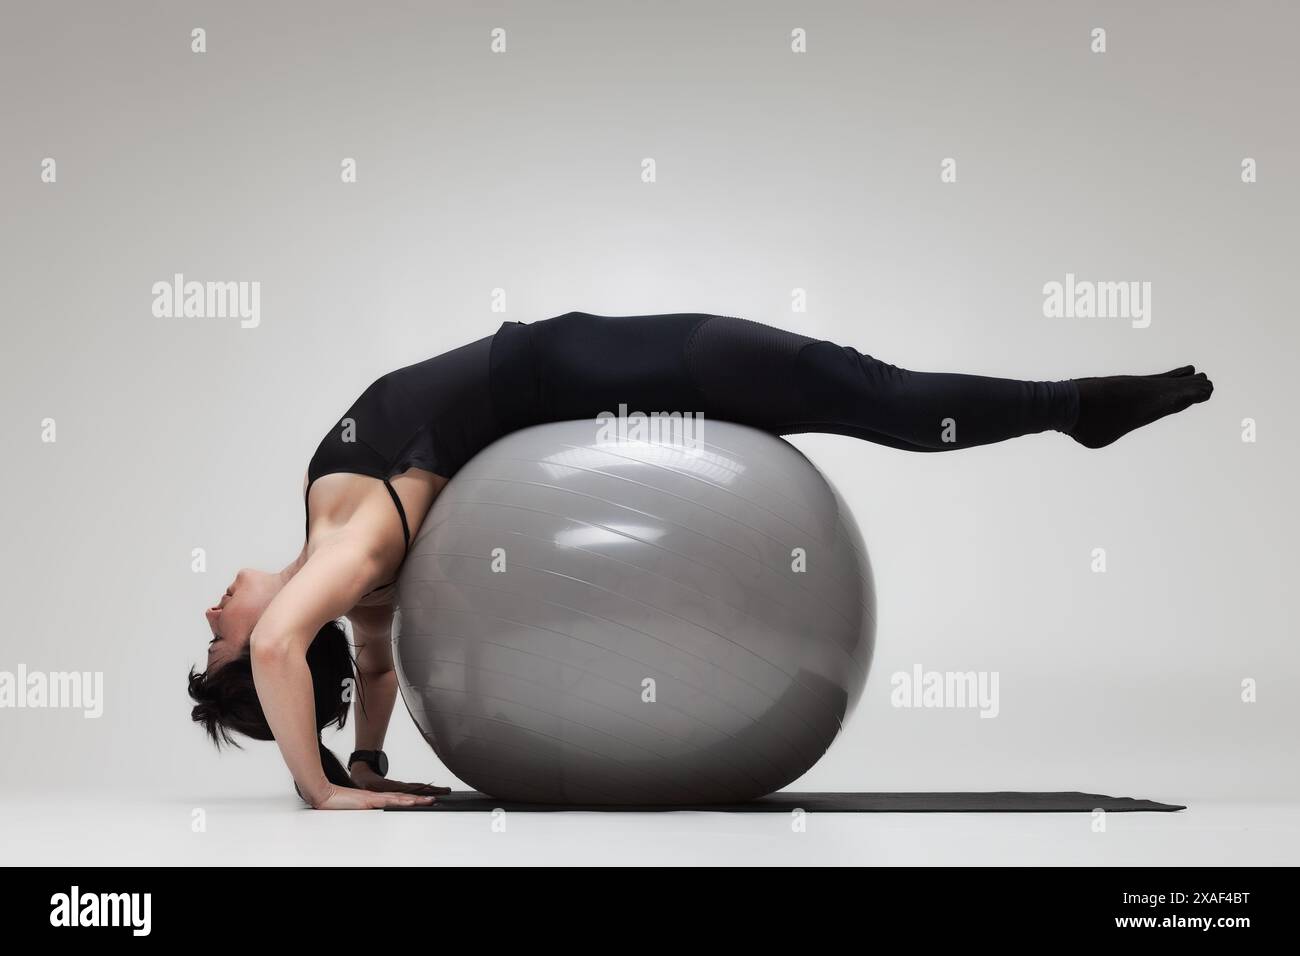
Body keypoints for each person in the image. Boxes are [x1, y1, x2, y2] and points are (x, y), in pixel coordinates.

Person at [189, 311, 1213, 809]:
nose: (212, 612)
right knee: (862, 389)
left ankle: (1071, 410)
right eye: (217, 646)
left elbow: (370, 667)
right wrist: (320, 790)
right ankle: (1075, 407)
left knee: (866, 394)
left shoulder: (355, 573)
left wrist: (361, 761)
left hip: (577, 368)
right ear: (254, 660)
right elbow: (292, 642)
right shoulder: (350, 547)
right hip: (596, 365)